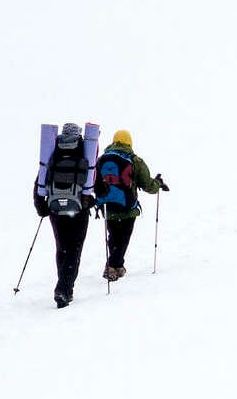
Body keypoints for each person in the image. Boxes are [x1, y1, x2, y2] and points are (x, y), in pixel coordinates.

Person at [32, 121, 99, 308]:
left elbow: (40, 180)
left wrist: (41, 207)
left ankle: (63, 283)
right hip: (79, 209)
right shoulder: (85, 154)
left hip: (56, 210)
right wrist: (95, 199)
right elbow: (97, 182)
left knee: (62, 247)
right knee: (74, 249)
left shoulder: (53, 154)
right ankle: (64, 288)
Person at [96, 129, 169, 280]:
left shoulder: (102, 159)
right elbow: (148, 185)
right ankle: (112, 266)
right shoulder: (135, 161)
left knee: (113, 236)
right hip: (127, 207)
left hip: (107, 205)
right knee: (123, 238)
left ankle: (117, 266)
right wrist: (158, 183)